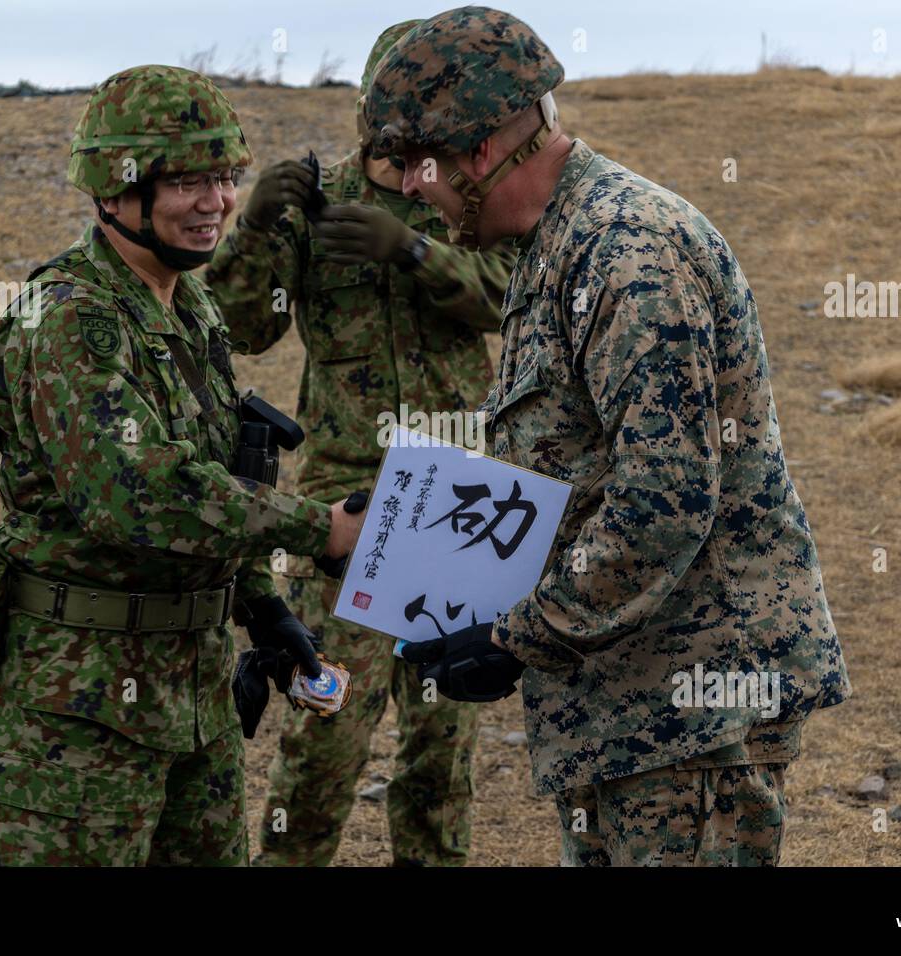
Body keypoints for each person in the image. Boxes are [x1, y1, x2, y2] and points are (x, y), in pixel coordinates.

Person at [364, 7, 851, 866]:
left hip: (691, 717)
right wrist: (391, 533)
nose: (406, 188)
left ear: (479, 151)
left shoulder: (626, 252)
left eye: (415, 163)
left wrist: (518, 636)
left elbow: (663, 502)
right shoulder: (555, 248)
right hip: (629, 710)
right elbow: (562, 455)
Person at [0, 64, 364, 866]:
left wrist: (259, 606)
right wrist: (318, 529)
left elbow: (214, 467)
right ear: (115, 192)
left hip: (194, 697)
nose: (216, 201)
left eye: (224, 177)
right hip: (79, 709)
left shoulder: (190, 303)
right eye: (186, 180)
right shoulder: (72, 319)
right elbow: (140, 493)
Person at [205, 21, 516, 867]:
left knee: (441, 748)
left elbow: (508, 297)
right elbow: (245, 327)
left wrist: (412, 249)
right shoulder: (317, 199)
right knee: (322, 737)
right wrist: (258, 228)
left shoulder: (466, 201)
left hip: (455, 493)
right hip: (352, 506)